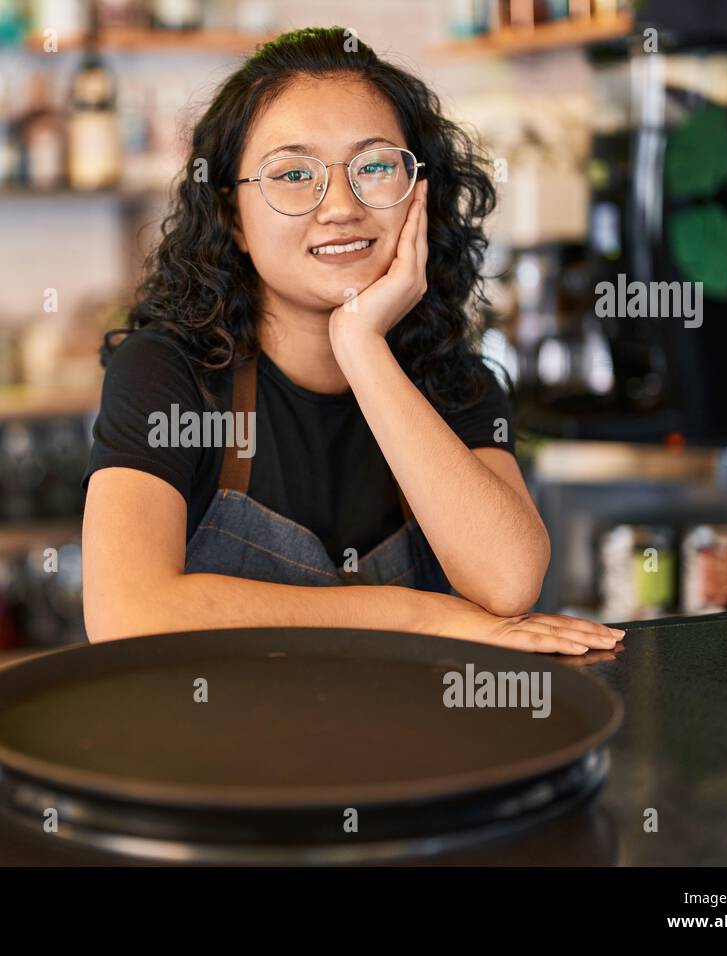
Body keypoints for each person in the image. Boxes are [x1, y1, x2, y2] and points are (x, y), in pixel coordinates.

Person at [81, 27, 622, 655]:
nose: (340, 204)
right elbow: (128, 612)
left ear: (420, 193)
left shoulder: (452, 376)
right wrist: (420, 617)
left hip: (400, 746)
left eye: (374, 166)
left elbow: (510, 582)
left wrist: (363, 346)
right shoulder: (168, 372)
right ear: (234, 217)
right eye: (291, 174)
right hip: (218, 745)